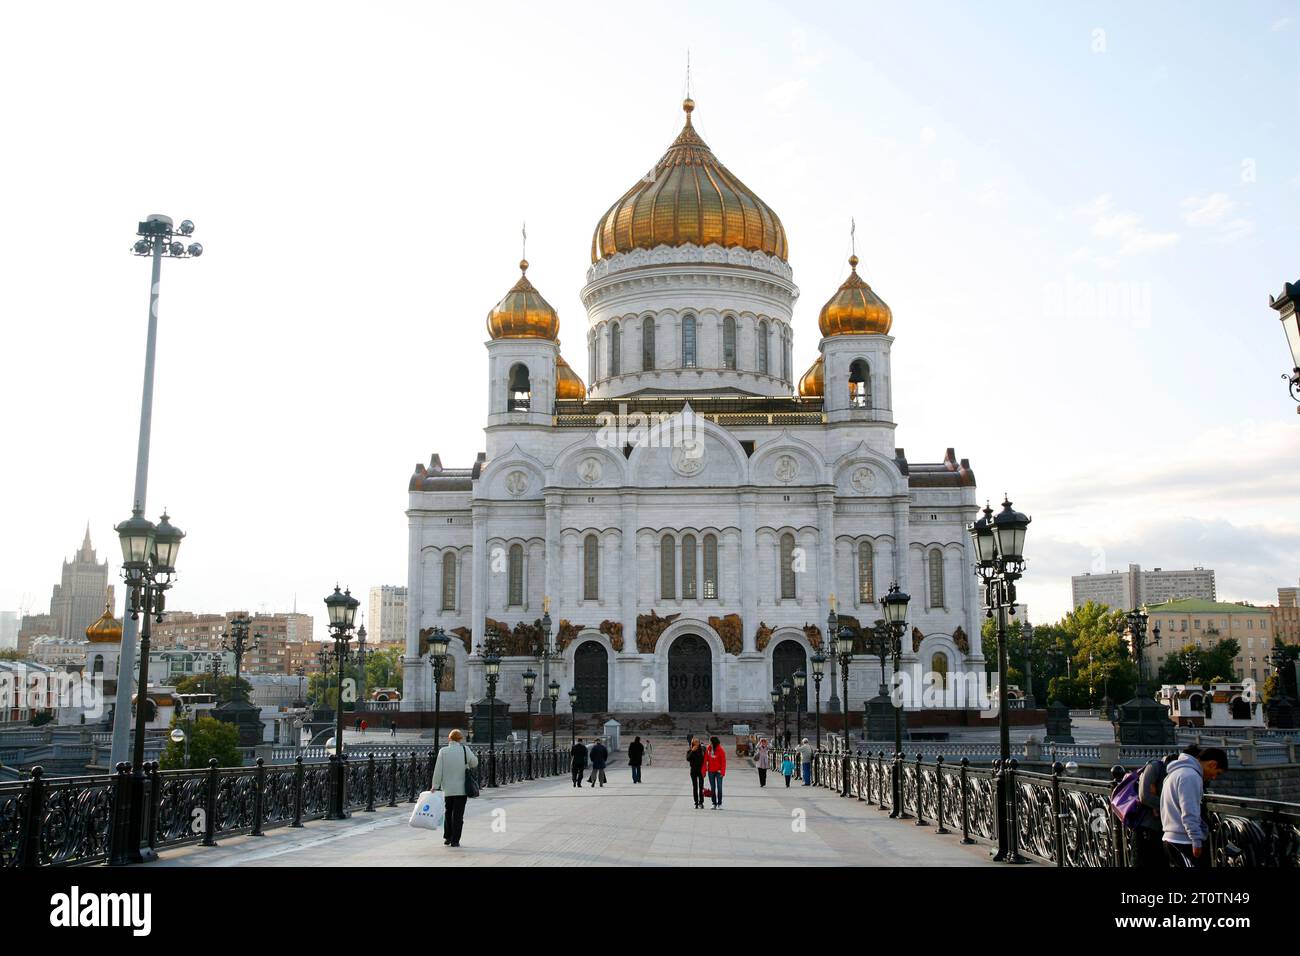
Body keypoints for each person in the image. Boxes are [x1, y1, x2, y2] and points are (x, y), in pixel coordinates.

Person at [1160, 746, 1227, 867]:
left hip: (1171, 838)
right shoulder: (1191, 776)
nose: (1214, 777)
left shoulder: (1175, 773)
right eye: (1217, 773)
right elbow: (1189, 812)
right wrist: (1196, 841)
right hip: (1183, 841)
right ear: (1213, 764)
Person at [429, 728, 479, 848]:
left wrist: (435, 785)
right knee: (458, 815)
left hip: (448, 789)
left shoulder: (443, 751)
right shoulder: (464, 749)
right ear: (460, 739)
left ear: (449, 738)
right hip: (462, 789)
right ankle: (455, 840)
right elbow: (474, 763)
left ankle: (448, 837)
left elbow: (438, 770)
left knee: (448, 812)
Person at [705, 735, 727, 809]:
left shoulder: (721, 750)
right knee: (713, 787)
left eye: (710, 741)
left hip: (719, 772)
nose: (709, 743)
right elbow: (706, 759)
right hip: (711, 771)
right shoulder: (708, 749)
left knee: (719, 788)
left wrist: (722, 772)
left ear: (713, 742)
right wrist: (704, 770)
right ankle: (714, 803)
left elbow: (723, 762)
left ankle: (719, 803)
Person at [687, 737, 706, 808]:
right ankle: (696, 803)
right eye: (695, 742)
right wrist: (692, 751)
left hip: (700, 770)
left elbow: (706, 755)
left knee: (701, 787)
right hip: (693, 771)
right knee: (695, 787)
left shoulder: (702, 750)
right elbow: (688, 759)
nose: (696, 743)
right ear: (693, 743)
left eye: (697, 741)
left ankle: (701, 802)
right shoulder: (690, 750)